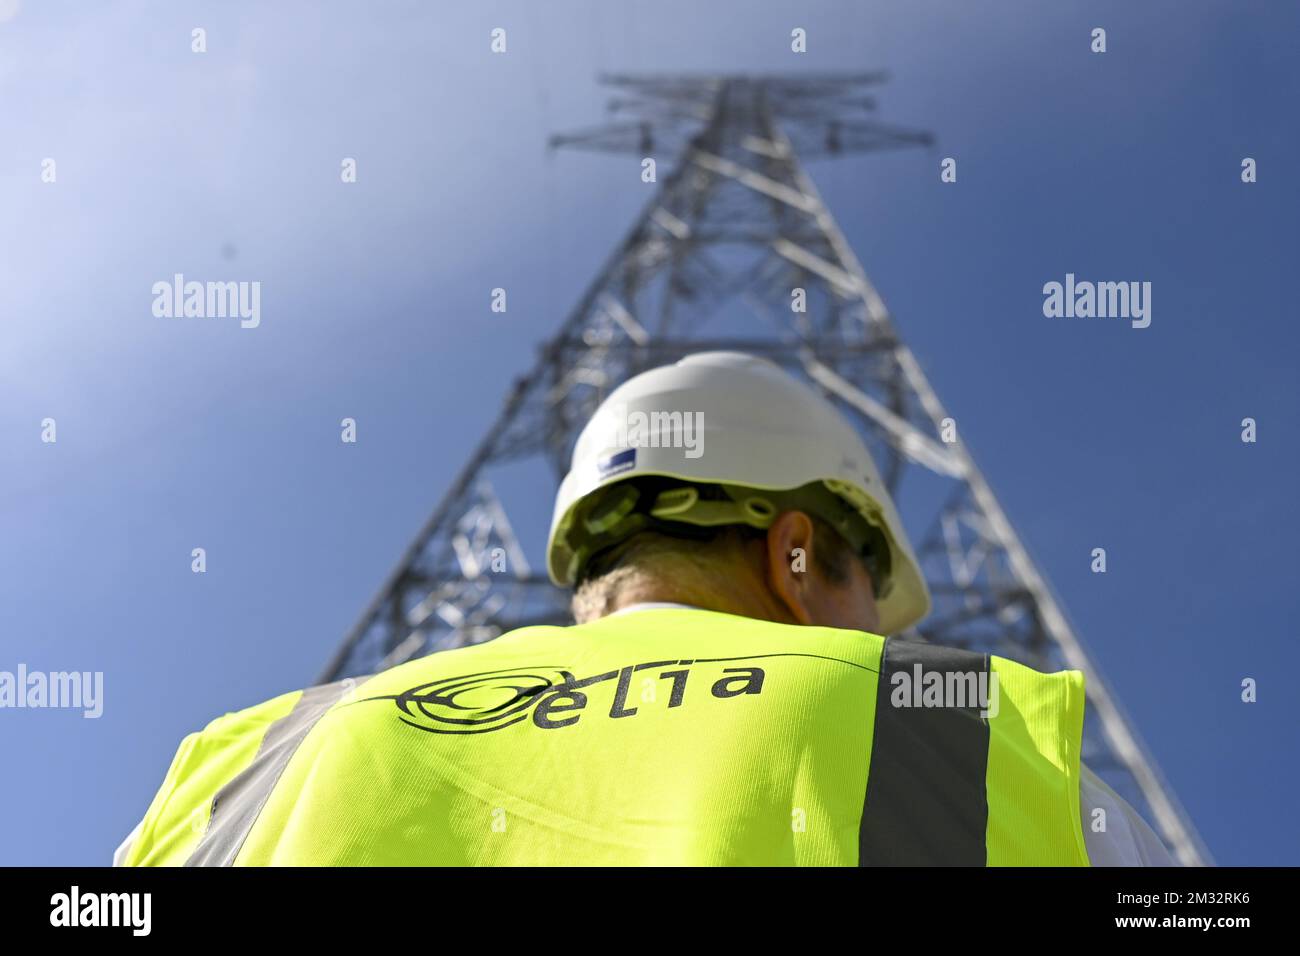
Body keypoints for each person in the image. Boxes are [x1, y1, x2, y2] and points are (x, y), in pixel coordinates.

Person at [116, 351, 1173, 866]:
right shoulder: (967, 732)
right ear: (796, 552)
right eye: (865, 586)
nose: (879, 640)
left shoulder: (251, 758)